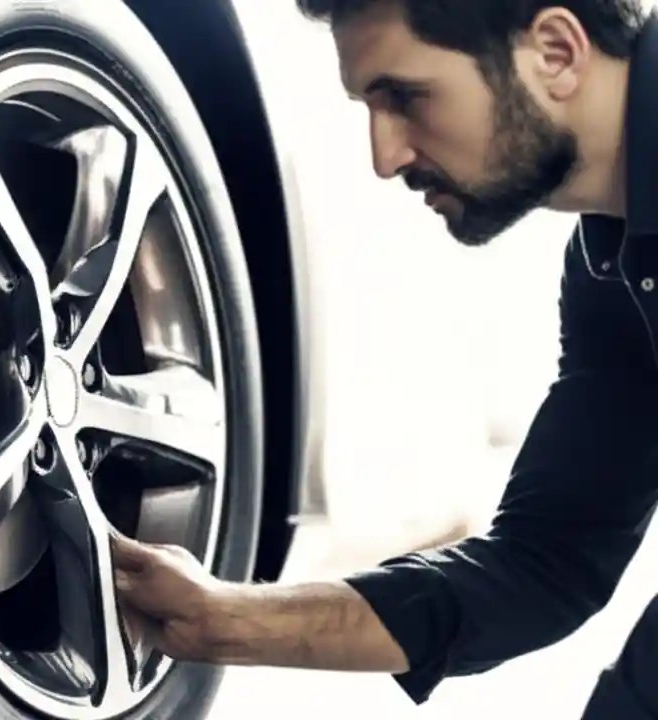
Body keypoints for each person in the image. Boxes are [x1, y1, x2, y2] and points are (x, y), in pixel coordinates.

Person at [110, 0, 658, 716]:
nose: (385, 156)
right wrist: (227, 618)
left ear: (555, 52)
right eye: (370, 105)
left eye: (406, 97)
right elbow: (544, 564)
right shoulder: (609, 274)